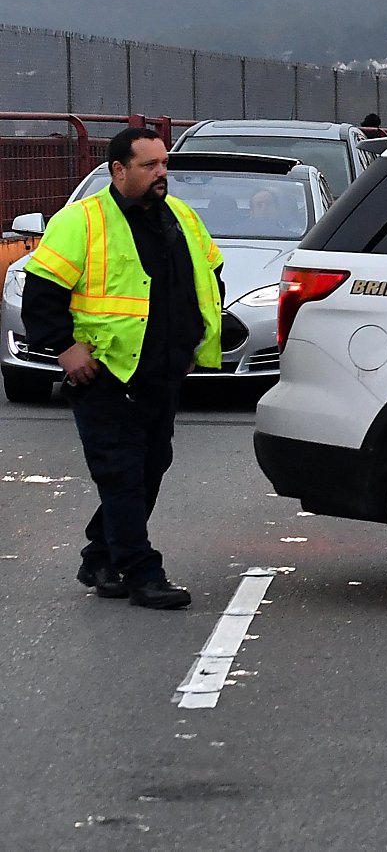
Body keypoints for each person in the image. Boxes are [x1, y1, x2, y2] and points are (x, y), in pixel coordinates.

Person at [21, 127, 224, 610]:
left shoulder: (180, 217)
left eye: (164, 164)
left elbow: (210, 273)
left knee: (152, 465)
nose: (162, 174)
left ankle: (100, 556)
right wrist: (66, 350)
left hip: (162, 373)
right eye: (149, 166)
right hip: (107, 374)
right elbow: (41, 296)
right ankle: (142, 573)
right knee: (122, 474)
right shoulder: (82, 222)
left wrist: (194, 338)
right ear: (118, 170)